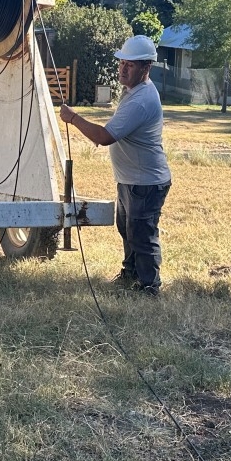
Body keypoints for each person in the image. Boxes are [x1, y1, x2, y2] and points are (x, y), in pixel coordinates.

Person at [58, 35, 172, 296]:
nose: (122, 68)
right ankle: (131, 274)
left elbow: (104, 137)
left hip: (146, 182)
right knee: (128, 229)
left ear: (146, 68)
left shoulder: (142, 99)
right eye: (122, 63)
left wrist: (73, 118)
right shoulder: (134, 91)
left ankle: (149, 287)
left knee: (142, 235)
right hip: (132, 179)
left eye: (130, 65)